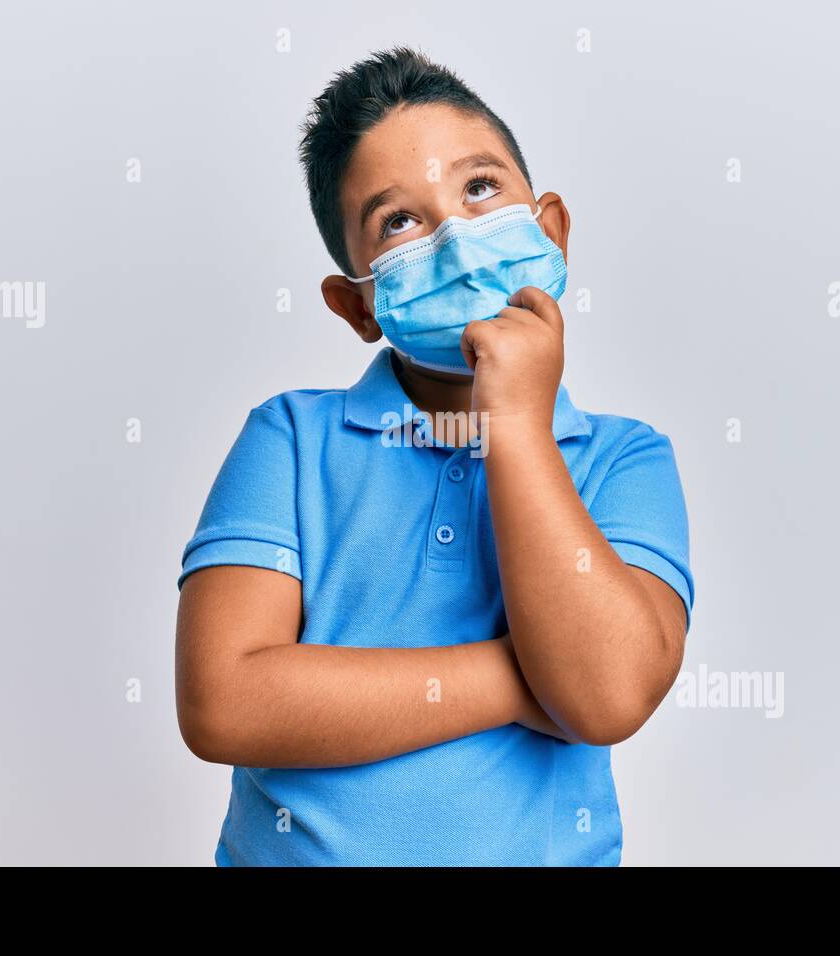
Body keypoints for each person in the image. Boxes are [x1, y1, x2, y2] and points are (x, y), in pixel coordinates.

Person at [174, 47, 693, 866]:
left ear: (550, 228)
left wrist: (518, 427)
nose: (456, 236)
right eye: (399, 222)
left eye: (481, 187)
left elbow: (608, 694)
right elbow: (224, 703)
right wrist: (524, 680)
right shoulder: (291, 441)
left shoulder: (625, 460)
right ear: (358, 307)